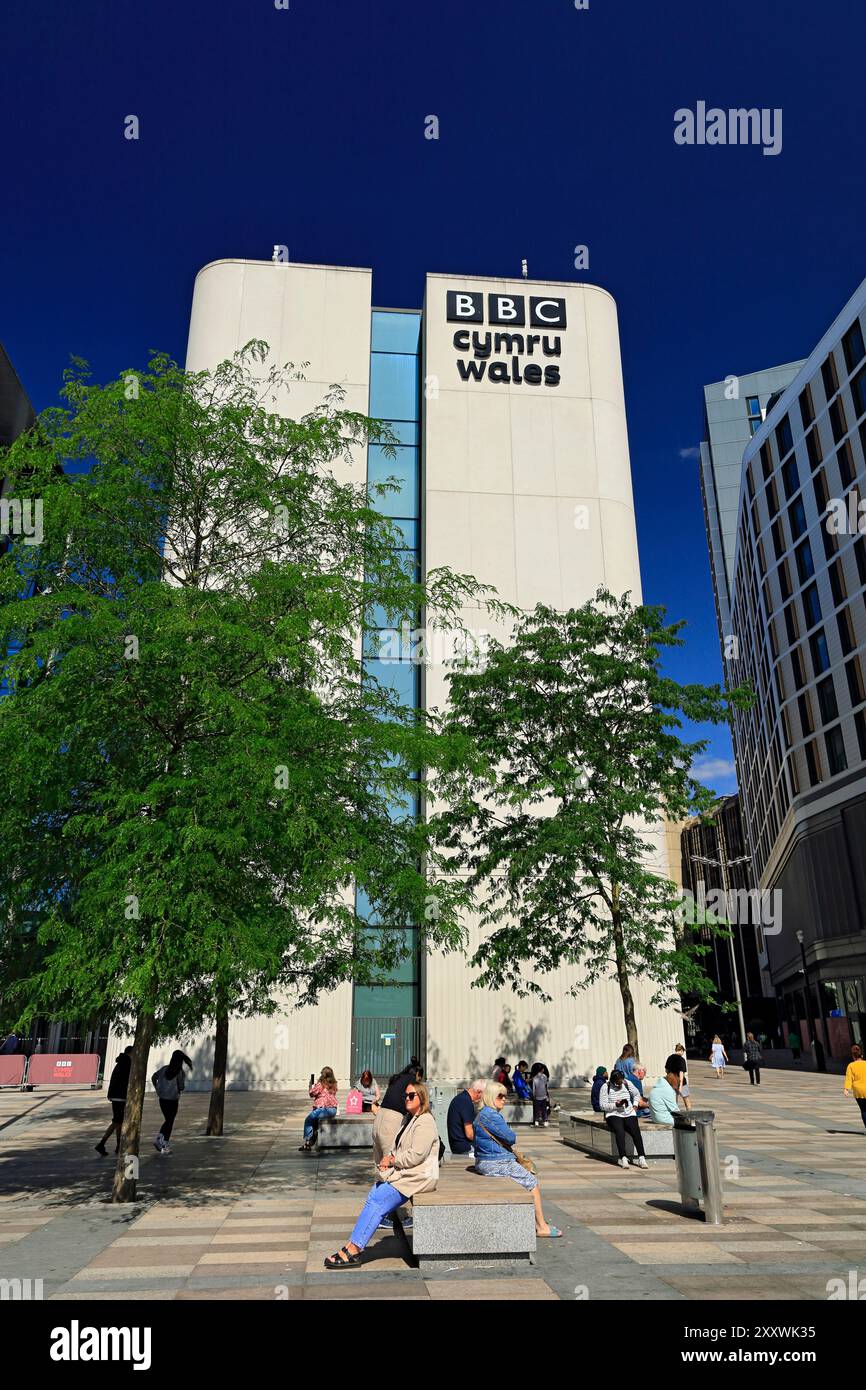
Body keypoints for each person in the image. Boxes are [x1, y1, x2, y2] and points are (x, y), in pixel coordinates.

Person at [323, 1080, 440, 1267]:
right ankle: (353, 1244)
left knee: (377, 1199)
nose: (407, 1099)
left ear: (422, 1098)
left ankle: (353, 1250)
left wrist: (393, 1160)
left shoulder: (425, 1122)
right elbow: (397, 1146)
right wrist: (390, 1158)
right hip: (406, 1174)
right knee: (375, 1193)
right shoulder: (409, 1118)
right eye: (405, 1096)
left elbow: (416, 1155)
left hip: (419, 1177)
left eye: (411, 1096)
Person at [473, 1082, 562, 1237]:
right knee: (532, 1183)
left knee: (526, 1180)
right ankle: (541, 1226)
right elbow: (511, 1137)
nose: (504, 1100)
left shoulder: (482, 1114)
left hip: (486, 1161)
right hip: (496, 1162)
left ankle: (536, 1222)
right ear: (491, 1097)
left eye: (505, 1096)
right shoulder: (491, 1115)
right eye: (500, 1096)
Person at [372, 1063, 423, 1169]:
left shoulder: (398, 1079)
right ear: (417, 1074)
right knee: (388, 1162)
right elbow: (412, 1104)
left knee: (378, 1164)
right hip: (391, 1121)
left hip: (379, 1117)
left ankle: (378, 1185)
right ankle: (388, 1185)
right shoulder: (411, 1081)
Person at [599, 1069, 649, 1168]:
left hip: (628, 1112)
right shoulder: (605, 1087)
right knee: (620, 1131)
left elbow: (636, 1094)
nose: (620, 1083)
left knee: (635, 1131)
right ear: (613, 1081)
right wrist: (616, 1105)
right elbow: (602, 1105)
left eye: (621, 1081)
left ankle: (641, 1157)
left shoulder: (627, 1083)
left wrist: (634, 1106)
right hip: (613, 1114)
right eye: (618, 1082)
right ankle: (623, 1157)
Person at [151, 1050, 192, 1154]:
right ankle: (161, 1141)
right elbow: (181, 1087)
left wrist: (157, 1088)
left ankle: (163, 1142)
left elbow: (153, 1077)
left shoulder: (165, 1069)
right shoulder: (180, 1072)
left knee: (168, 1121)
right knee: (170, 1121)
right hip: (173, 1100)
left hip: (162, 1099)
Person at [95, 1046, 133, 1156]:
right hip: (121, 1096)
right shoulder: (127, 1064)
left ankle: (118, 1146)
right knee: (117, 1121)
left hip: (116, 1096)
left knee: (118, 1122)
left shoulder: (120, 1063)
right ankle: (102, 1144)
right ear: (130, 1053)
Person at [299, 1066, 338, 1152]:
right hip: (333, 1110)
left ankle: (308, 1142)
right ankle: (313, 1137)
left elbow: (312, 1093)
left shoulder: (320, 1084)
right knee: (315, 1120)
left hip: (322, 1109)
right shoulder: (334, 1084)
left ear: (323, 1075)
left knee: (308, 1120)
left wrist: (310, 1086)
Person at [447, 1078, 485, 1155]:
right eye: (482, 1096)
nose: (482, 1099)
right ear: (478, 1092)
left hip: (457, 1146)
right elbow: (470, 1134)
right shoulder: (466, 1102)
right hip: (465, 1148)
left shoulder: (461, 1098)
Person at [844, 1043, 866, 1131]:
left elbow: (849, 1078)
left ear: (853, 1056)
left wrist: (846, 1089)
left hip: (858, 1091)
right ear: (862, 1055)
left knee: (864, 1110)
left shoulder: (851, 1066)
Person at [668, 1044, 691, 1111]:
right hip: (681, 1082)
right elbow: (681, 1073)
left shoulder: (670, 1058)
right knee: (686, 1098)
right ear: (681, 1050)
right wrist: (680, 1085)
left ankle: (674, 1114)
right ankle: (689, 1113)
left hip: (671, 1082)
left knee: (674, 1100)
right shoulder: (681, 1060)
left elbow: (667, 1070)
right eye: (683, 1052)